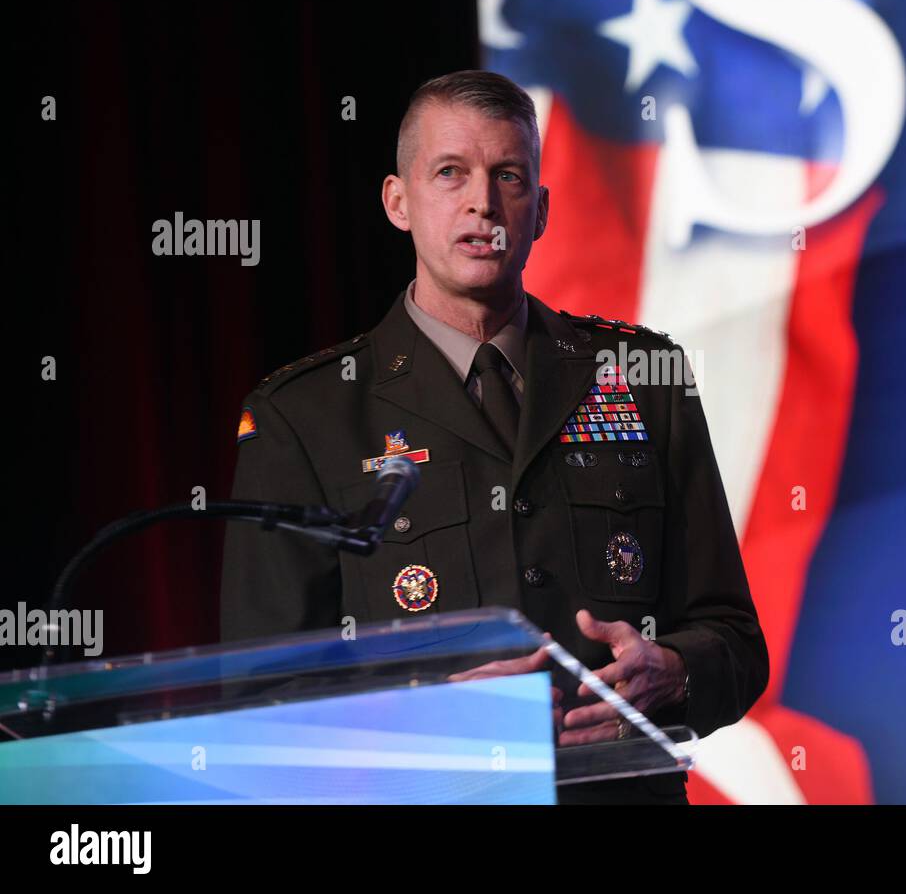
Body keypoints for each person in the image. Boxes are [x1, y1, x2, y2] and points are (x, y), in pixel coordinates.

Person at [220, 69, 769, 804]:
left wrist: (669, 669)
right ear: (398, 201)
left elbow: (733, 640)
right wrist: (436, 724)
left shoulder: (645, 377)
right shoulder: (304, 417)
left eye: (507, 175)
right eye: (450, 173)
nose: (482, 201)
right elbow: (262, 702)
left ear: (539, 209)